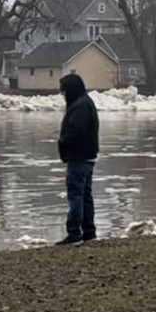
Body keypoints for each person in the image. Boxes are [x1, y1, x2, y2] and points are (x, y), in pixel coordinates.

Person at [56, 72, 99, 244]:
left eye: (64, 91)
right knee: (85, 195)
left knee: (76, 196)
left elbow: (75, 131)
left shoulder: (79, 106)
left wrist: (63, 143)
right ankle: (89, 232)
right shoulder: (86, 103)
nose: (63, 95)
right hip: (88, 156)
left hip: (78, 157)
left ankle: (74, 233)